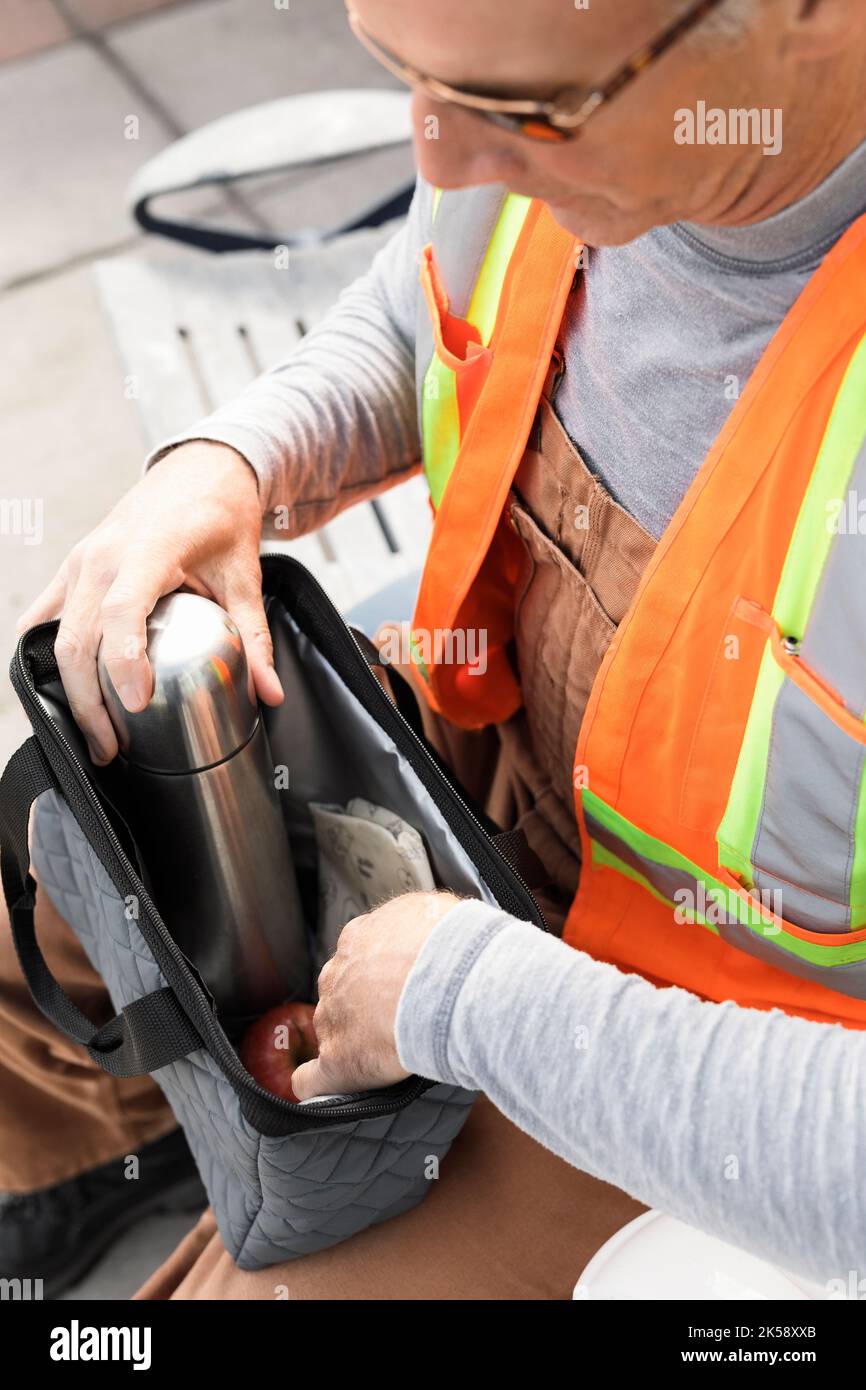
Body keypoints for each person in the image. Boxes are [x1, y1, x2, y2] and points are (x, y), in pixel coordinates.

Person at [3, 0, 866, 1300]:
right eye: (401, 74)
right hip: (509, 749)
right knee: (68, 871)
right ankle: (80, 1158)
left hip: (731, 1050)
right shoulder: (529, 94)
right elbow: (432, 296)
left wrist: (481, 1003)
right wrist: (241, 457)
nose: (439, 154)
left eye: (527, 112)